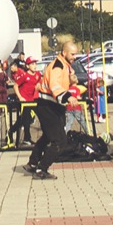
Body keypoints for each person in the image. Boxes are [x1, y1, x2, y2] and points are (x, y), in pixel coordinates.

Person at [26, 37, 79, 179]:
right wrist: (68, 96)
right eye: (72, 54)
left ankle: (32, 162)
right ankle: (41, 169)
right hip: (47, 106)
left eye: (75, 54)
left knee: (48, 136)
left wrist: (72, 81)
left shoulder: (64, 65)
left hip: (53, 106)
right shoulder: (58, 66)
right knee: (60, 141)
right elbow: (54, 85)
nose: (75, 57)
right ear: (64, 52)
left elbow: (61, 83)